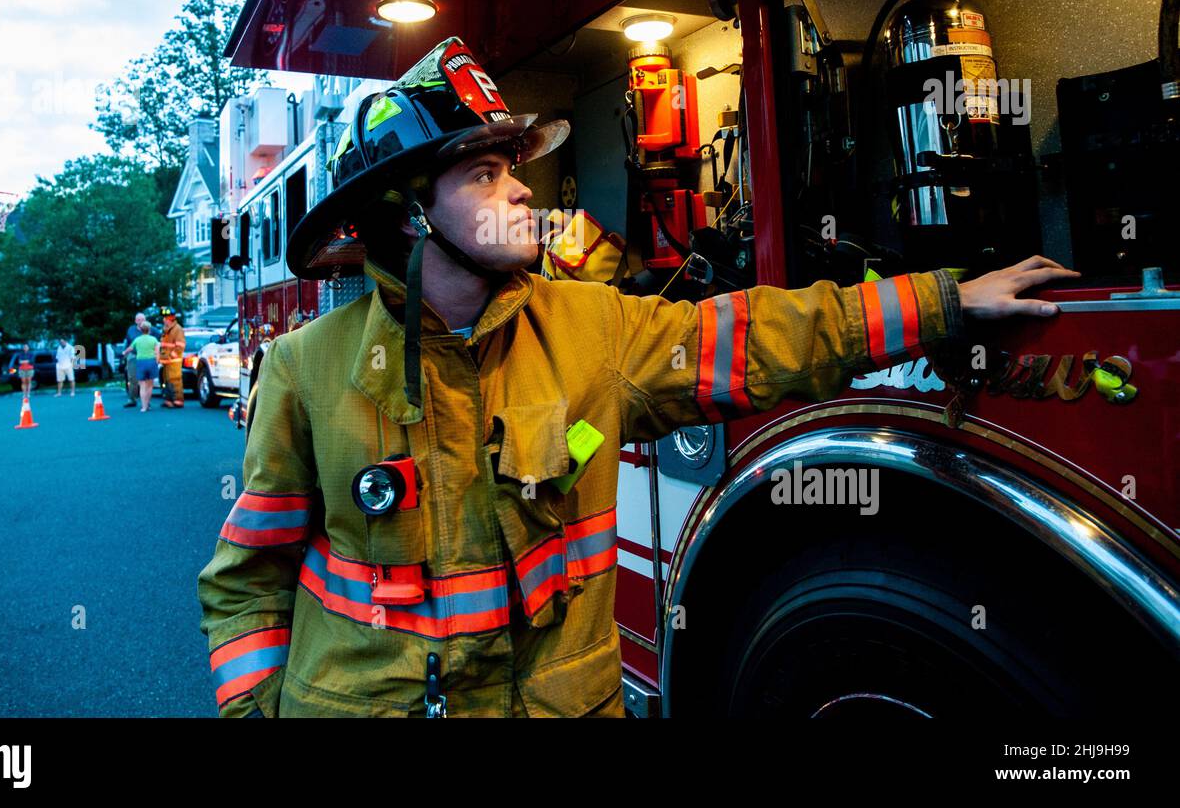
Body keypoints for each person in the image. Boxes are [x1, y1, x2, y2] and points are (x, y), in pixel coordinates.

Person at [197, 36, 1079, 719]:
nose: (523, 195)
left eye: (516, 171)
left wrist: (945, 301)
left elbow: (764, 333)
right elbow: (245, 580)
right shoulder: (306, 368)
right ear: (407, 215)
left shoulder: (590, 328)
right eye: (485, 173)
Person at [121, 321, 160, 412]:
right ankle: (148, 403)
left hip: (140, 362)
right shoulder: (154, 340)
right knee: (150, 385)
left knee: (142, 385)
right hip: (151, 362)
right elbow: (157, 351)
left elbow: (130, 348)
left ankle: (143, 406)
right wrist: (157, 361)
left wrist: (124, 353)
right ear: (149, 330)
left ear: (141, 330)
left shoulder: (137, 340)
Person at [159, 308, 186, 408]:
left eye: (165, 318)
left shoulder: (177, 329)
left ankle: (178, 400)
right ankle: (169, 400)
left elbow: (180, 346)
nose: (164, 320)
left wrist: (171, 356)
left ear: (170, 318)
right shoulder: (166, 330)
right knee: (167, 381)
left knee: (175, 380)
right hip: (166, 360)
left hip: (174, 360)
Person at [122, 312, 146, 408]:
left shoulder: (149, 329)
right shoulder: (131, 330)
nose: (140, 322)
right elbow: (127, 342)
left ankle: (146, 401)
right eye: (139, 320)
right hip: (133, 356)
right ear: (136, 321)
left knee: (145, 379)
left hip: (145, 356)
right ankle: (132, 399)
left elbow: (158, 339)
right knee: (132, 378)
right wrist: (125, 354)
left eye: (142, 319)